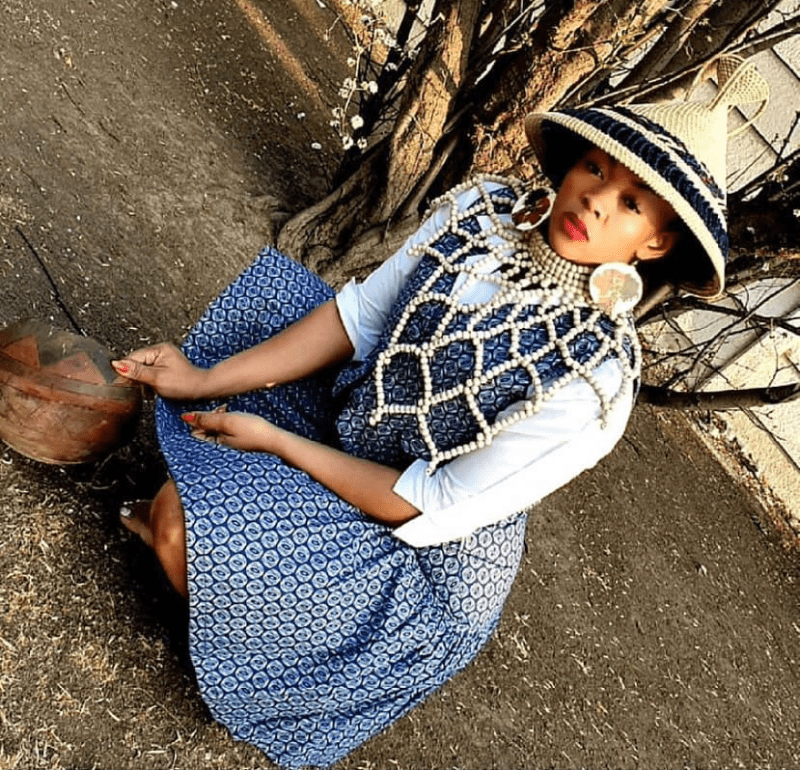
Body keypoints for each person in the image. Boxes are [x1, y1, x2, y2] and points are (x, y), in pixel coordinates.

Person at [112, 56, 768, 768]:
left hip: (416, 553)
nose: (596, 202)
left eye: (634, 204)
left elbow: (436, 504)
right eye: (596, 170)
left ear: (657, 242)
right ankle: (229, 570)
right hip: (355, 423)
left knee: (181, 524)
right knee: (218, 414)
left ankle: (244, 608)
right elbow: (357, 320)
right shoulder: (481, 213)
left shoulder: (594, 381)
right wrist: (205, 377)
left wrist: (276, 443)